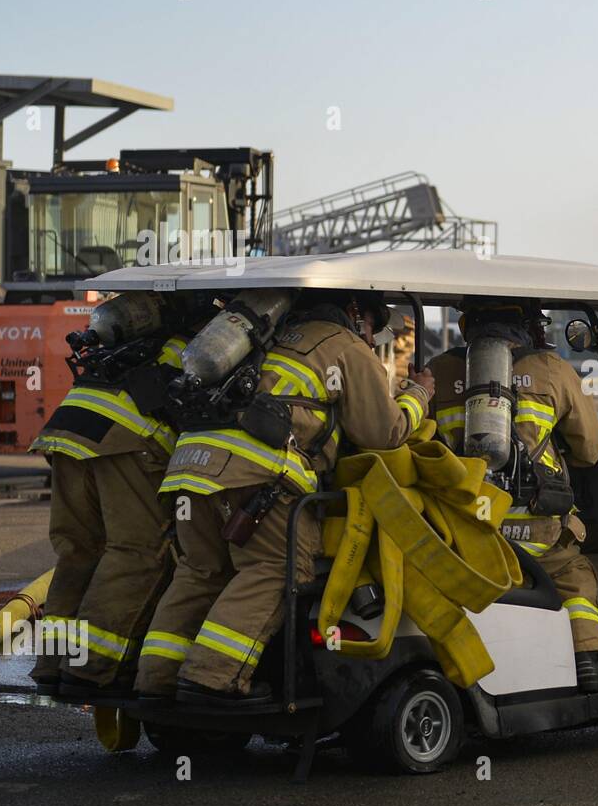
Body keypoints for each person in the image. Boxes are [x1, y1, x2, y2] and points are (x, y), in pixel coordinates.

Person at [134, 289, 433, 706]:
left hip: (191, 468)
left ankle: (158, 677)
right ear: (353, 311)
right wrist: (418, 396)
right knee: (275, 569)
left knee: (201, 572)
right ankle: (211, 679)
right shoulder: (343, 344)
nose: (371, 337)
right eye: (371, 325)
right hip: (258, 478)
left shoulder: (262, 338)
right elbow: (382, 432)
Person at [428, 301, 598, 691]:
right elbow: (592, 450)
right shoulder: (552, 372)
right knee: (573, 578)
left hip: (465, 534)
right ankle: (586, 661)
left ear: (467, 326)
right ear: (530, 327)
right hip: (539, 534)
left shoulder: (439, 373)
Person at [29, 316, 193, 697]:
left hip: (68, 429)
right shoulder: (208, 350)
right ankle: (89, 667)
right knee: (136, 551)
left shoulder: (139, 335)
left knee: (78, 551)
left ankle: (52, 663)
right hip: (125, 441)